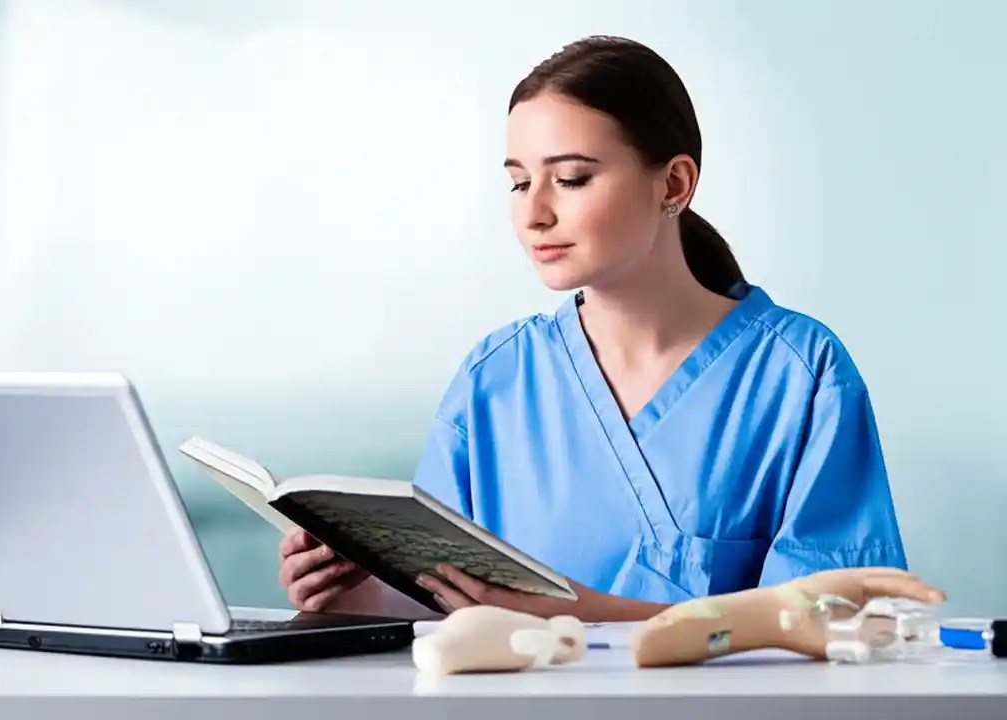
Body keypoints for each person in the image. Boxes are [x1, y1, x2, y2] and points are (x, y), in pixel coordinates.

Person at [278, 35, 907, 621]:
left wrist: (584, 613)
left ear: (675, 183)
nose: (535, 211)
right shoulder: (495, 378)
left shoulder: (801, 374)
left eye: (572, 178)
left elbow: (834, 624)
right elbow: (444, 605)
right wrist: (357, 591)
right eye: (520, 182)